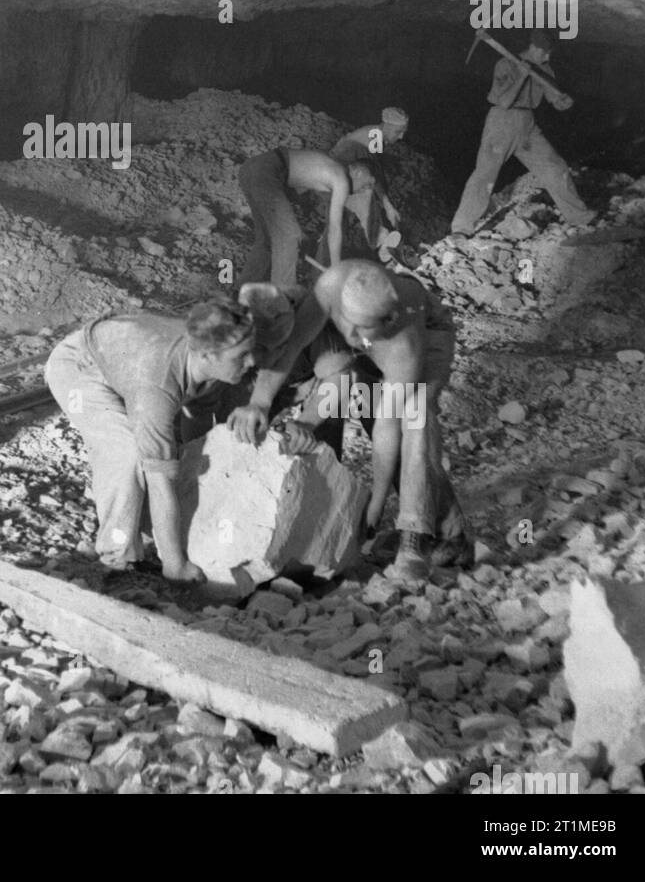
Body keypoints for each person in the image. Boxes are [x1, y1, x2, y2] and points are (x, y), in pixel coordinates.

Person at [228, 259, 471, 584]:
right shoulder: (331, 285)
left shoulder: (404, 345)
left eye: (361, 328)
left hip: (427, 335)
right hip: (373, 340)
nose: (353, 335)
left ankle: (415, 538)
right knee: (354, 392)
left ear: (389, 319)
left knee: (414, 419)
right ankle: (452, 533)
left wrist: (377, 503)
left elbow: (387, 427)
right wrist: (259, 402)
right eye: (349, 323)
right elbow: (294, 344)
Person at [44, 288, 295, 583]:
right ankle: (118, 557)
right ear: (206, 355)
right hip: (79, 366)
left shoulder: (210, 362)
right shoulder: (156, 390)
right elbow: (161, 481)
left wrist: (198, 476)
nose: (252, 362)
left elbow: (198, 418)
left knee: (165, 451)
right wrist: (175, 564)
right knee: (127, 454)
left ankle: (153, 527)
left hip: (127, 348)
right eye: (241, 356)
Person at [451, 32, 593, 236]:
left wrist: (563, 102)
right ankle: (461, 228)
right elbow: (504, 102)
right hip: (502, 121)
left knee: (556, 167)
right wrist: (522, 75)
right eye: (545, 54)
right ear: (535, 49)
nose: (548, 59)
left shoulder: (545, 69)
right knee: (485, 174)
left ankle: (579, 216)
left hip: (528, 123)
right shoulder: (505, 65)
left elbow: (555, 101)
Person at [238, 147, 375, 289]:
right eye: (368, 183)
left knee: (267, 240)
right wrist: (336, 269)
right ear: (358, 173)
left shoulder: (329, 168)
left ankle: (241, 290)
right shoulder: (341, 180)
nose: (366, 189)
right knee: (289, 235)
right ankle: (283, 295)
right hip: (268, 171)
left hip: (251, 169)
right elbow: (335, 228)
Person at [330, 107, 408, 261]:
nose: (401, 136)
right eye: (398, 132)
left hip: (348, 174)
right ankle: (383, 241)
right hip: (336, 176)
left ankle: (382, 241)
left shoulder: (376, 135)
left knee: (367, 195)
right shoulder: (374, 137)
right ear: (387, 126)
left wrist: (388, 206)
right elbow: (373, 176)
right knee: (365, 197)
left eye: (403, 131)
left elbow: (375, 173)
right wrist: (388, 206)